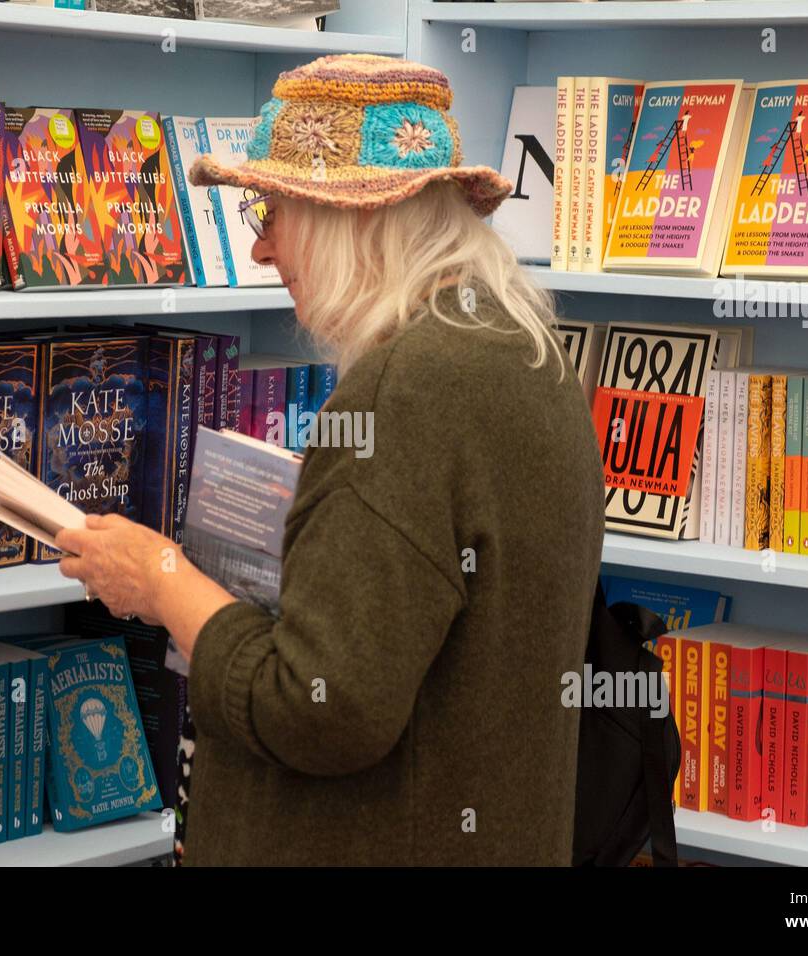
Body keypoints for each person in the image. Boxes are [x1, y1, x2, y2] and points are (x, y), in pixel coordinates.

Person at [55, 54, 605, 866]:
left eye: (272, 211)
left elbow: (318, 709)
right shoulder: (525, 349)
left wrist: (162, 579)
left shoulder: (407, 388)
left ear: (348, 217)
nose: (262, 251)